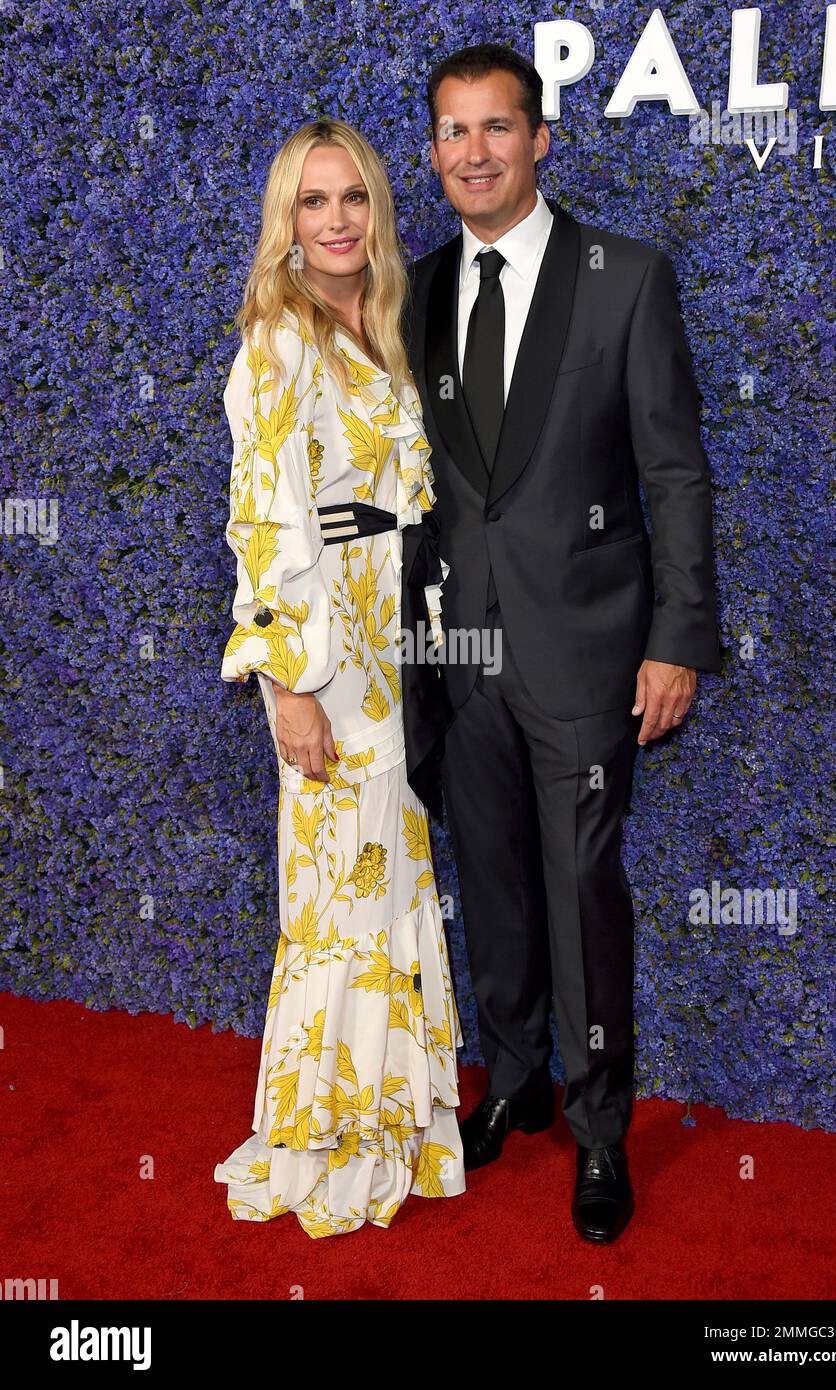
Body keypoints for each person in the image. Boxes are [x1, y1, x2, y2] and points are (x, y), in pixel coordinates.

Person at [406, 43, 723, 1243]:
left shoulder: (622, 278)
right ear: (431, 151)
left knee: (581, 892)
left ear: (542, 140)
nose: (472, 152)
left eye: (496, 128)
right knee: (488, 884)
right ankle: (516, 1078)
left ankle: (598, 1135)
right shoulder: (416, 287)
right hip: (457, 656)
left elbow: (673, 474)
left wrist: (675, 637)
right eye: (450, 131)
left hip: (589, 651)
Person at [213, 118, 465, 1238]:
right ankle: (328, 1140)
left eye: (351, 197)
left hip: (391, 635)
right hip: (328, 653)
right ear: (285, 221)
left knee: (387, 880)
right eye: (311, 203)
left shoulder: (386, 322)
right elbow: (261, 523)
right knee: (336, 893)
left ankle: (392, 1124)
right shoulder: (277, 338)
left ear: (376, 208)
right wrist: (286, 684)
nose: (334, 221)